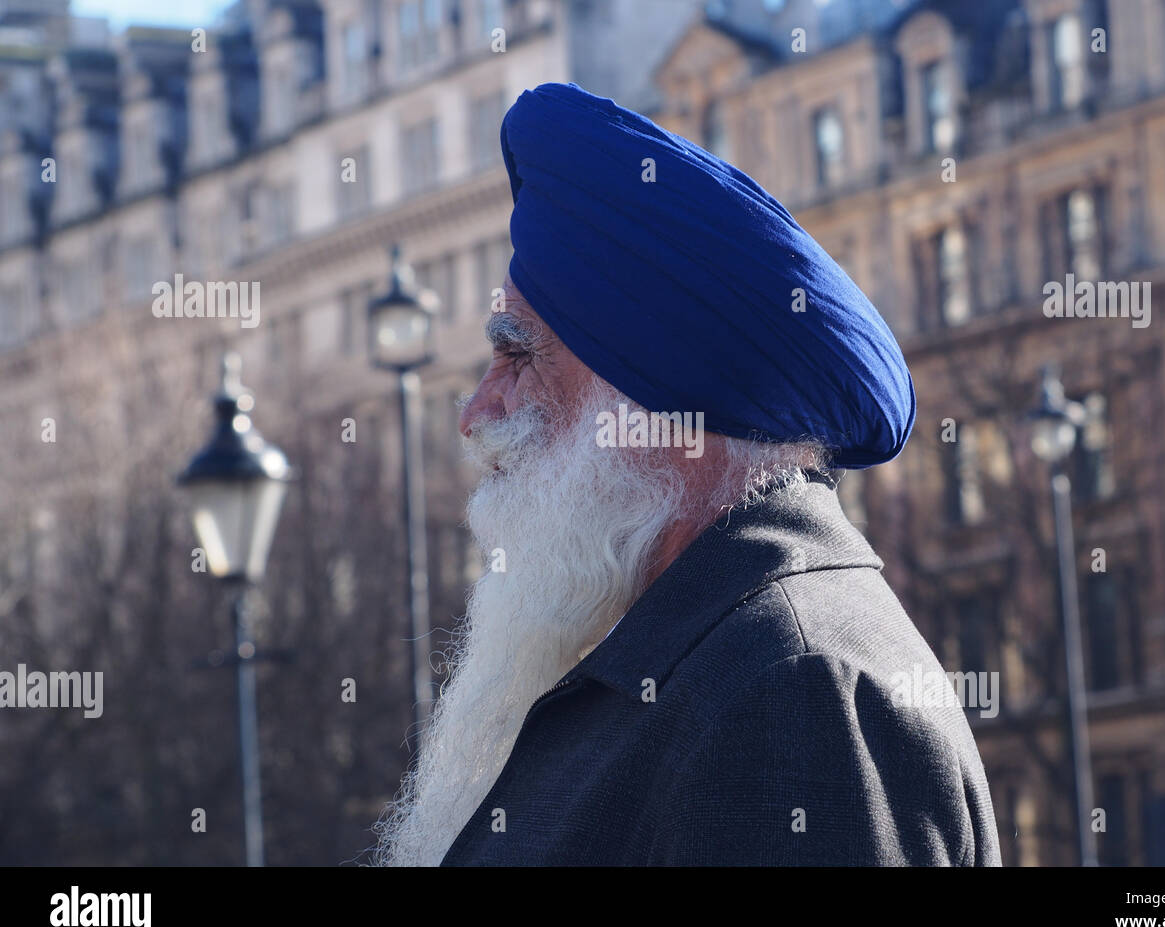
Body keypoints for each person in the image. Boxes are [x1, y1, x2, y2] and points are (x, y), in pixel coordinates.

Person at [375, 83, 1001, 866]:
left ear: (653, 397)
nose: (475, 412)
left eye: (518, 356)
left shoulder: (792, 692)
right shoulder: (702, 657)